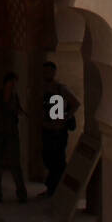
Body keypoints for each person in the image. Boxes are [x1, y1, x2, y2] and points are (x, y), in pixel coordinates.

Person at [39, 60, 80, 198]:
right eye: (45, 71)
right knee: (48, 158)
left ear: (54, 72)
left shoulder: (60, 88)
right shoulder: (43, 88)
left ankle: (55, 190)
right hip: (47, 130)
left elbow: (76, 103)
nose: (46, 74)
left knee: (58, 161)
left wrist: (66, 117)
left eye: (49, 71)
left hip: (58, 131)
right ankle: (53, 188)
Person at [0, 71, 27, 203]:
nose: (13, 86)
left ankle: (21, 193)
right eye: (11, 83)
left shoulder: (14, 97)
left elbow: (19, 112)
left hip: (11, 134)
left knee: (15, 164)